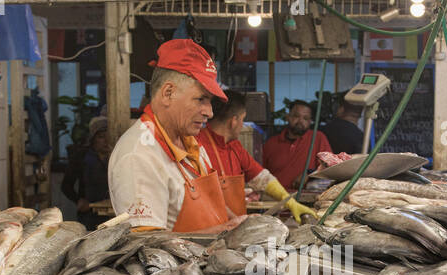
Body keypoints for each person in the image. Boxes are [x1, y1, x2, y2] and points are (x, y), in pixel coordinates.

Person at [106, 38, 233, 232]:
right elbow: (148, 245)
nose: (210, 112)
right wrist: (226, 231)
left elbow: (211, 209)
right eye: (200, 99)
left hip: (206, 259)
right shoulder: (138, 156)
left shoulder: (190, 142)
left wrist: (239, 224)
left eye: (210, 101)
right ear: (168, 93)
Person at [197, 89, 317, 221]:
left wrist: (289, 202)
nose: (243, 125)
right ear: (234, 121)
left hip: (235, 227)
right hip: (210, 230)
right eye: (243, 119)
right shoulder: (197, 146)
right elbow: (204, 198)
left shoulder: (234, 146)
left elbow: (261, 177)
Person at [261, 100, 334, 190]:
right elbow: (260, 174)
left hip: (306, 197)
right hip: (274, 198)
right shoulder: (271, 143)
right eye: (296, 116)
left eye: (305, 118)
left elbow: (330, 168)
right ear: (288, 117)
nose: (300, 121)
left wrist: (309, 175)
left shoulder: (318, 138)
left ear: (310, 121)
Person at [61, 116, 111, 230]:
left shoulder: (116, 156)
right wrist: (79, 200)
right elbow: (66, 185)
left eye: (109, 136)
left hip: (113, 213)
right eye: (101, 137)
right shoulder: (81, 156)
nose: (106, 141)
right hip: (89, 214)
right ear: (93, 139)